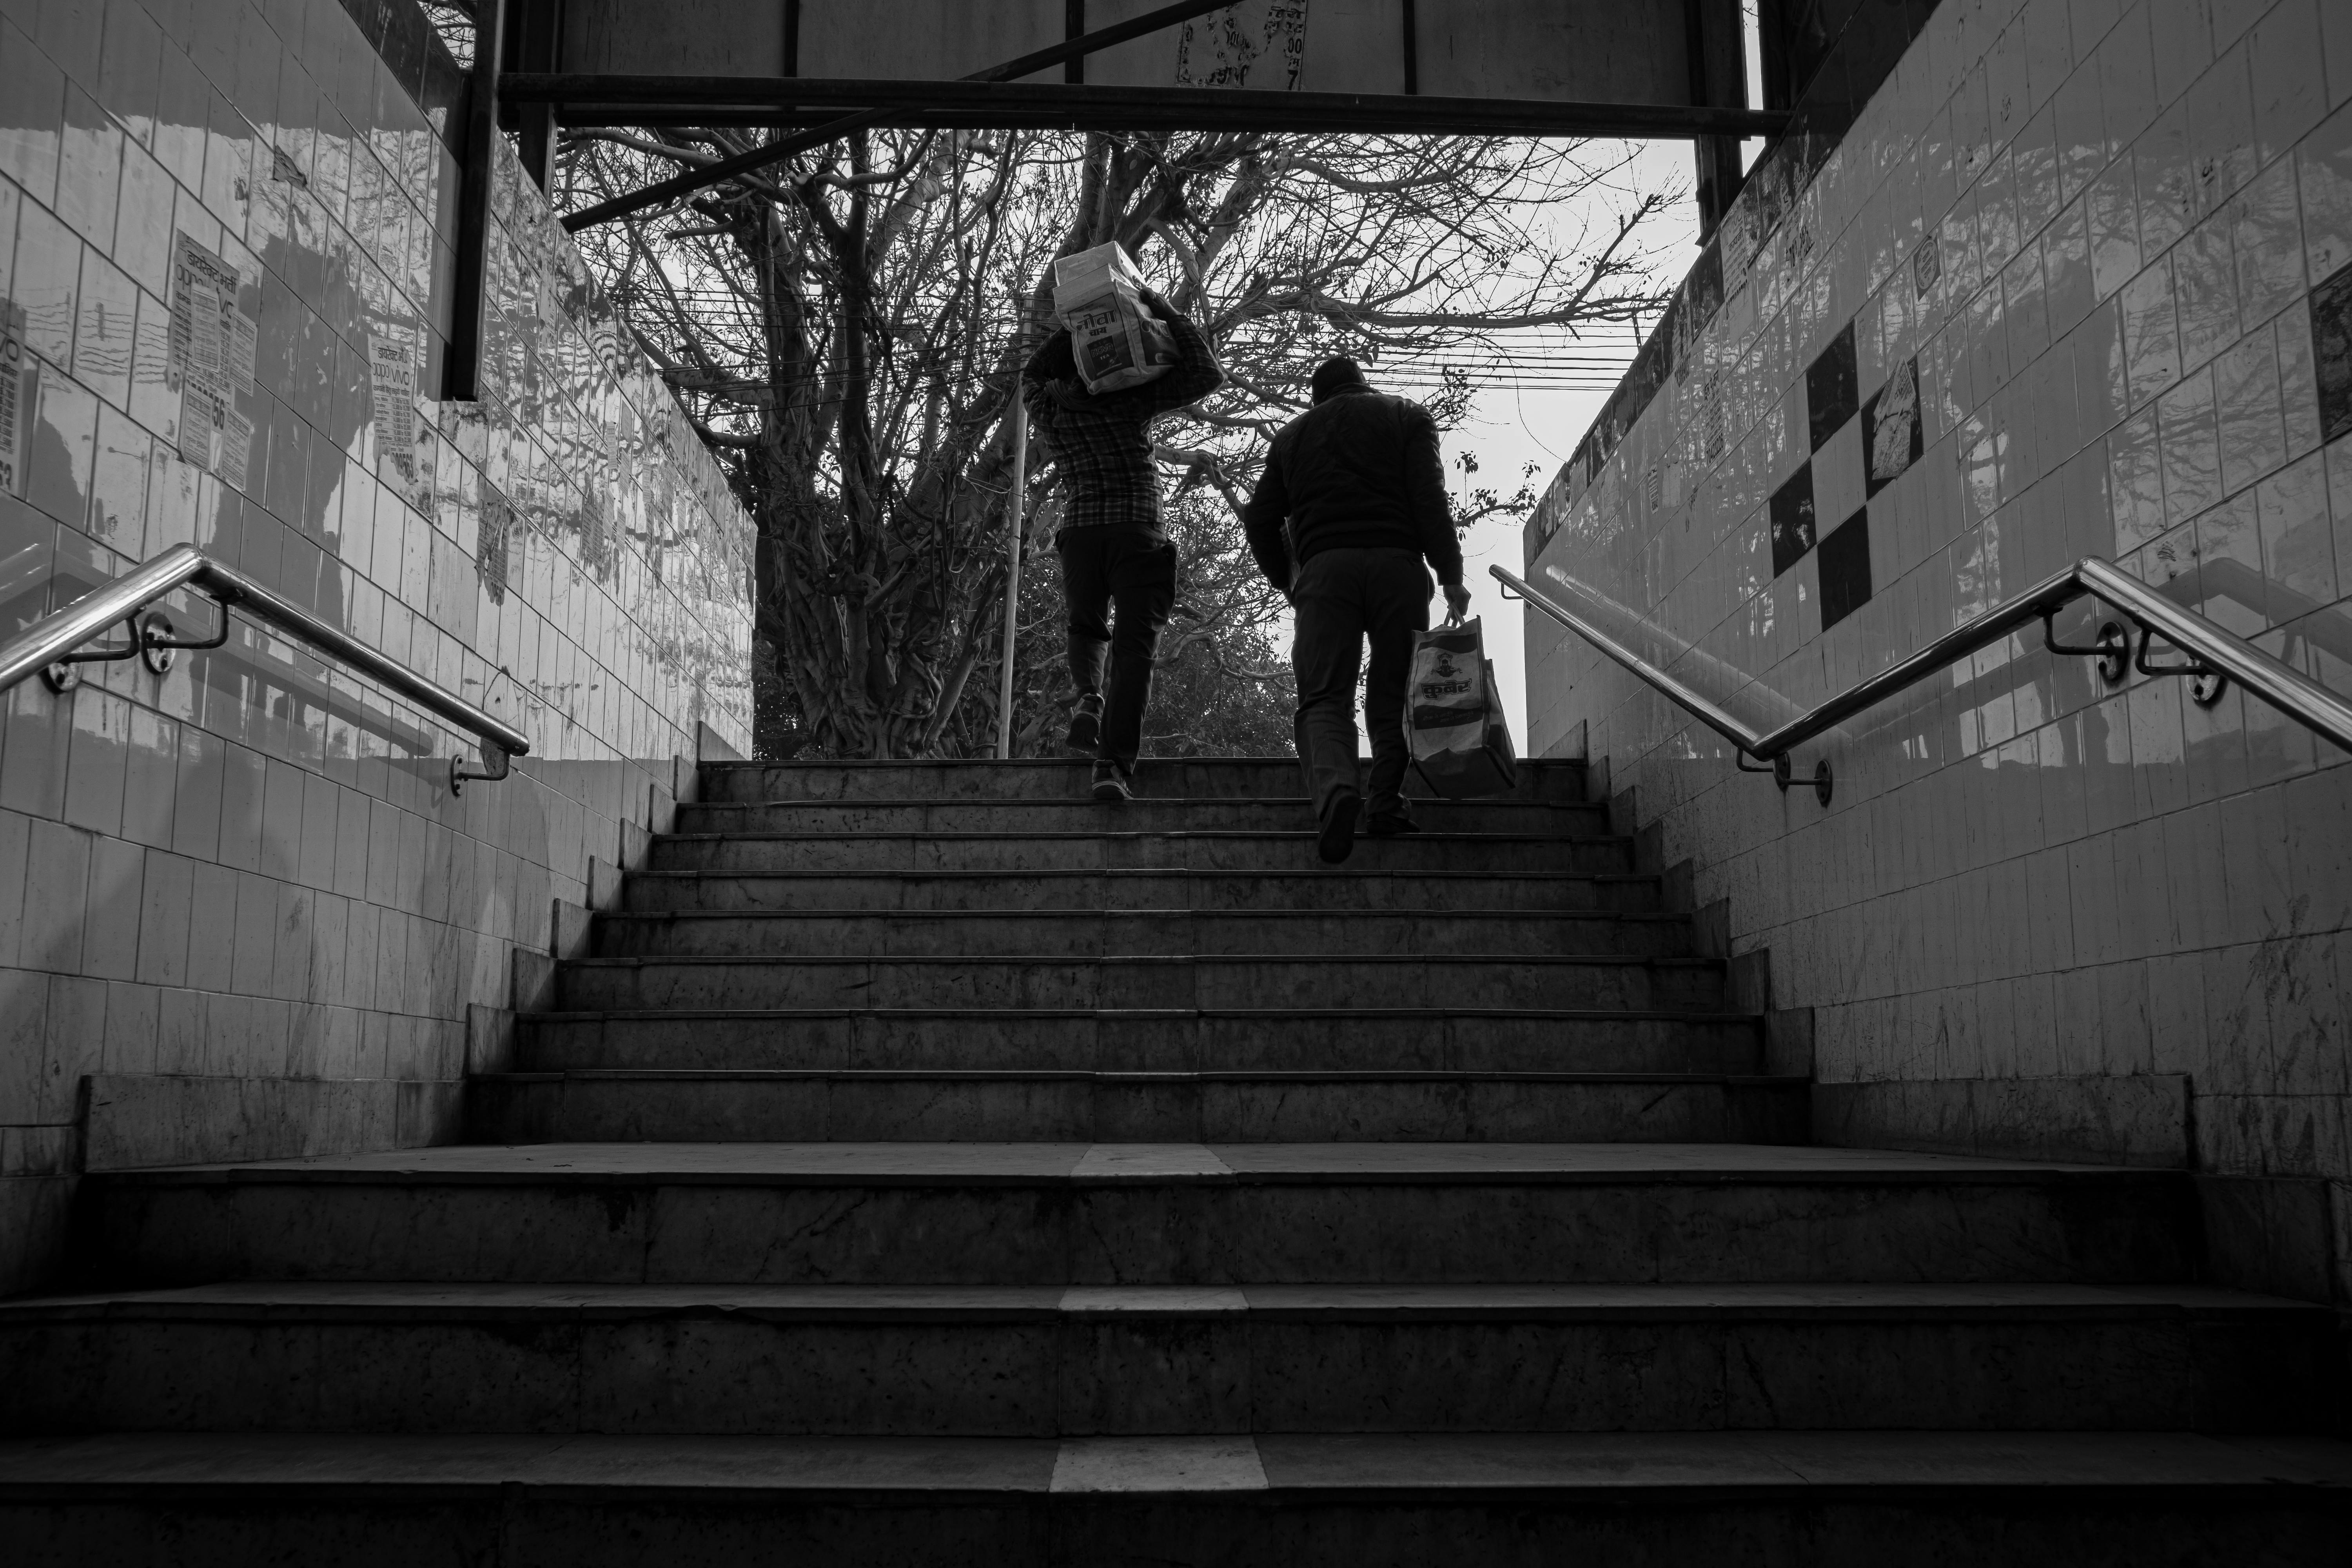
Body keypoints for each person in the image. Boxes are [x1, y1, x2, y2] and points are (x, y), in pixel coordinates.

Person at [1243, 356, 1473, 864]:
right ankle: (1386, 802)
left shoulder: (1291, 438)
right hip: (1398, 570)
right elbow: (1429, 498)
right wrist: (1450, 574)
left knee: (1325, 696)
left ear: (1317, 397)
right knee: (1392, 693)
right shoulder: (1406, 416)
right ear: (1362, 384)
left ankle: (1337, 793)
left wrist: (1288, 580)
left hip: (1326, 575)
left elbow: (1259, 520)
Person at [1021, 285, 1223, 801]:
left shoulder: (1048, 408)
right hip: (1137, 533)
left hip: (1082, 535)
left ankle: (1089, 697)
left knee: (1085, 625)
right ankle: (1111, 767)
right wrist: (1158, 307)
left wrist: (1076, 322)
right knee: (1135, 654)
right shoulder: (1129, 399)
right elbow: (1206, 372)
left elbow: (1032, 373)